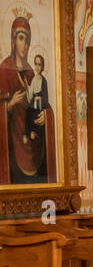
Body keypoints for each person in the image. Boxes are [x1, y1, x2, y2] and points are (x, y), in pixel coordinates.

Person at [1, 16, 48, 184]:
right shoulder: (4, 70)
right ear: (13, 40)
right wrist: (9, 105)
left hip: (33, 145)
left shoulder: (31, 73)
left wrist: (46, 115)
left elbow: (44, 104)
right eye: (21, 38)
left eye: (27, 40)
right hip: (13, 146)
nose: (25, 44)